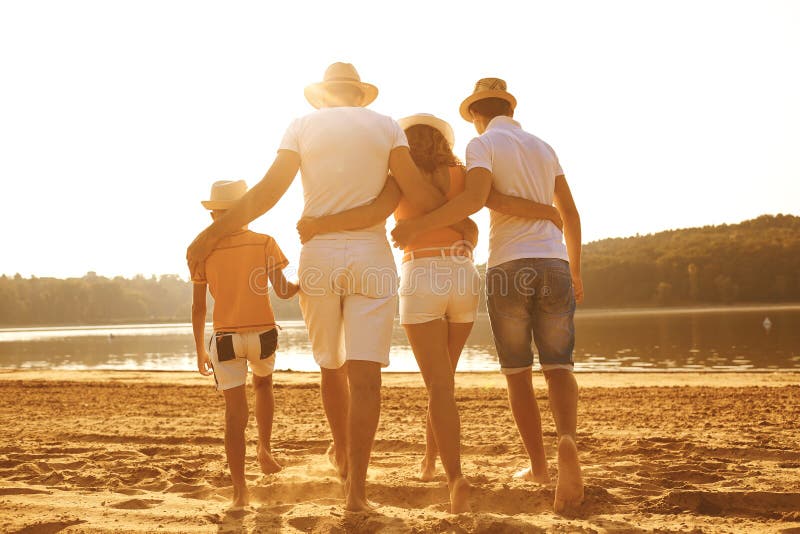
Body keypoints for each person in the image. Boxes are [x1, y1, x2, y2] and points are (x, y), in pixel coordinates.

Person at [186, 63, 449, 512]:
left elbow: (267, 193)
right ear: (360, 95)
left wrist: (210, 234)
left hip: (319, 258)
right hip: (371, 257)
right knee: (366, 378)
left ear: (323, 95)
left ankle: (341, 454)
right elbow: (422, 199)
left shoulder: (301, 126)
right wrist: (407, 187)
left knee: (331, 366)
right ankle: (356, 494)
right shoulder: (386, 126)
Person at [297, 113, 542, 513]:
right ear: (444, 141)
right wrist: (467, 229)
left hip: (422, 273)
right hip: (462, 275)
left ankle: (455, 478)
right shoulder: (463, 174)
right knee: (444, 382)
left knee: (438, 385)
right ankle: (430, 462)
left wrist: (320, 224)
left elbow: (373, 214)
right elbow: (474, 221)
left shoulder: (399, 179)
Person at [391, 78, 584, 514]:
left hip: (508, 266)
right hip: (554, 262)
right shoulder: (544, 147)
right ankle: (567, 440)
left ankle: (538, 467)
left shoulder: (482, 145)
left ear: (476, 113)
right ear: (509, 108)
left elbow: (479, 199)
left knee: (516, 374)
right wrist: (574, 267)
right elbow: (569, 212)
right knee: (559, 367)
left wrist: (417, 226)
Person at [191, 179, 299, 510]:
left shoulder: (202, 251)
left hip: (225, 339)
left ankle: (240, 492)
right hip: (263, 334)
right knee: (263, 386)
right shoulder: (264, 242)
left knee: (234, 414)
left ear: (215, 215)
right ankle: (264, 451)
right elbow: (284, 291)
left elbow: (199, 308)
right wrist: (303, 282)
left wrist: (199, 349)